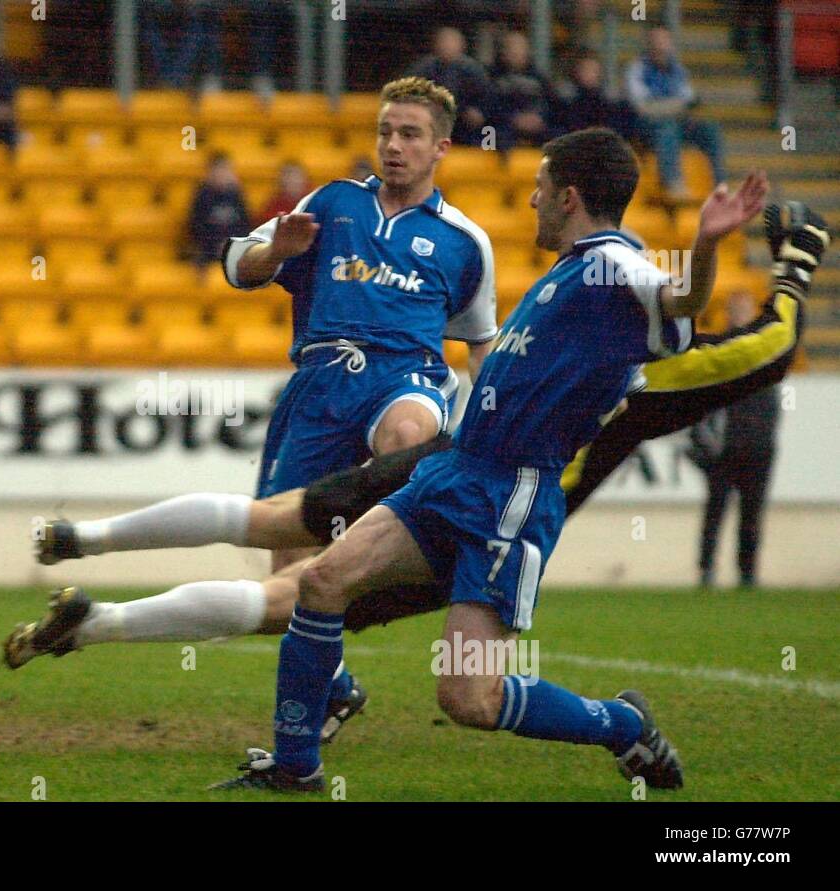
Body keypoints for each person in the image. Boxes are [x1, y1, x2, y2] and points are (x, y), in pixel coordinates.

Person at [8, 201, 825, 747]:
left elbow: (751, 341)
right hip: (444, 471)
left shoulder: (643, 356)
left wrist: (791, 264)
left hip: (489, 515)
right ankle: (99, 572)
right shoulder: (574, 285)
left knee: (307, 598)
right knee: (287, 543)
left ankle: (97, 608)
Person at [216, 130, 766, 792]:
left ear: (567, 197)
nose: (530, 197)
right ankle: (296, 768)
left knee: (468, 698)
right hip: (453, 475)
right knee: (321, 581)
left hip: (509, 497)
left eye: (539, 186)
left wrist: (706, 242)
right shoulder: (570, 269)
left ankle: (622, 724)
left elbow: (680, 300)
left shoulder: (613, 264)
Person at [224, 76, 496, 574]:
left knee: (410, 432)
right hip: (322, 380)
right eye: (384, 131)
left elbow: (480, 345)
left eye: (410, 134)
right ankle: (321, 629)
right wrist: (277, 252)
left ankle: (386, 549)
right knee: (288, 554)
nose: (393, 145)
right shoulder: (332, 204)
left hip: (404, 375)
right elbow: (239, 266)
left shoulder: (464, 241)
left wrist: (502, 420)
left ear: (441, 147)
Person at [695, 291, 783, 588]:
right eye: (736, 309)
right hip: (724, 449)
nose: (740, 314)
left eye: (744, 308)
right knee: (715, 510)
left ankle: (747, 572)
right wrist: (707, 445)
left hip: (759, 448)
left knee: (752, 514)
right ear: (728, 313)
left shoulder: (763, 350)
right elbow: (702, 403)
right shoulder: (721, 350)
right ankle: (706, 569)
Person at [626, 24, 727, 199]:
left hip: (677, 123)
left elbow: (690, 101)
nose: (660, 46)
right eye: (655, 41)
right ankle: (673, 183)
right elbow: (642, 108)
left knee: (710, 129)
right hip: (646, 126)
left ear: (670, 43)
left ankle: (719, 186)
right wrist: (675, 106)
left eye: (664, 41)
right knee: (667, 127)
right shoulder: (637, 69)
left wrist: (668, 106)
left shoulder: (678, 71)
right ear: (648, 44)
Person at [409, 28, 491, 147]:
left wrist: (479, 111)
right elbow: (407, 95)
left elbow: (488, 98)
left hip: (464, 124)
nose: (448, 45)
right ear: (436, 45)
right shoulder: (423, 69)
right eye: (444, 41)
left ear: (462, 45)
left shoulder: (474, 71)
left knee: (492, 132)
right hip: (432, 123)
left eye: (453, 41)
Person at [487, 31, 555, 149]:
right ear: (503, 51)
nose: (516, 52)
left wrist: (539, 118)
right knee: (489, 134)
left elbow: (552, 105)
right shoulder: (492, 76)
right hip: (503, 125)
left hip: (536, 125)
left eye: (520, 47)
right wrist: (513, 118)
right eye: (511, 47)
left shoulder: (538, 78)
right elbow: (488, 105)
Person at [140, 0, 225, 92]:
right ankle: (169, 81)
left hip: (195, 10)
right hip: (159, 8)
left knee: (205, 19)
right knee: (145, 16)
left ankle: (206, 77)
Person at [554, 54, 641, 142]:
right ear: (576, 72)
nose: (589, 74)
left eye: (594, 70)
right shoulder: (566, 100)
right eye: (585, 70)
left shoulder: (611, 101)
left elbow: (624, 128)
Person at [187, 152, 251, 268]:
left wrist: (232, 244)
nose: (223, 174)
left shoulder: (237, 195)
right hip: (209, 251)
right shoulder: (202, 196)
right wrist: (216, 245)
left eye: (227, 170)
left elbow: (245, 225)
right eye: (219, 170)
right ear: (210, 172)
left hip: (234, 248)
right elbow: (196, 227)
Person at [254, 161, 309, 227]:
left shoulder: (313, 203)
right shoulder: (272, 208)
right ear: (281, 181)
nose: (293, 181)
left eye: (296, 177)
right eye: (288, 177)